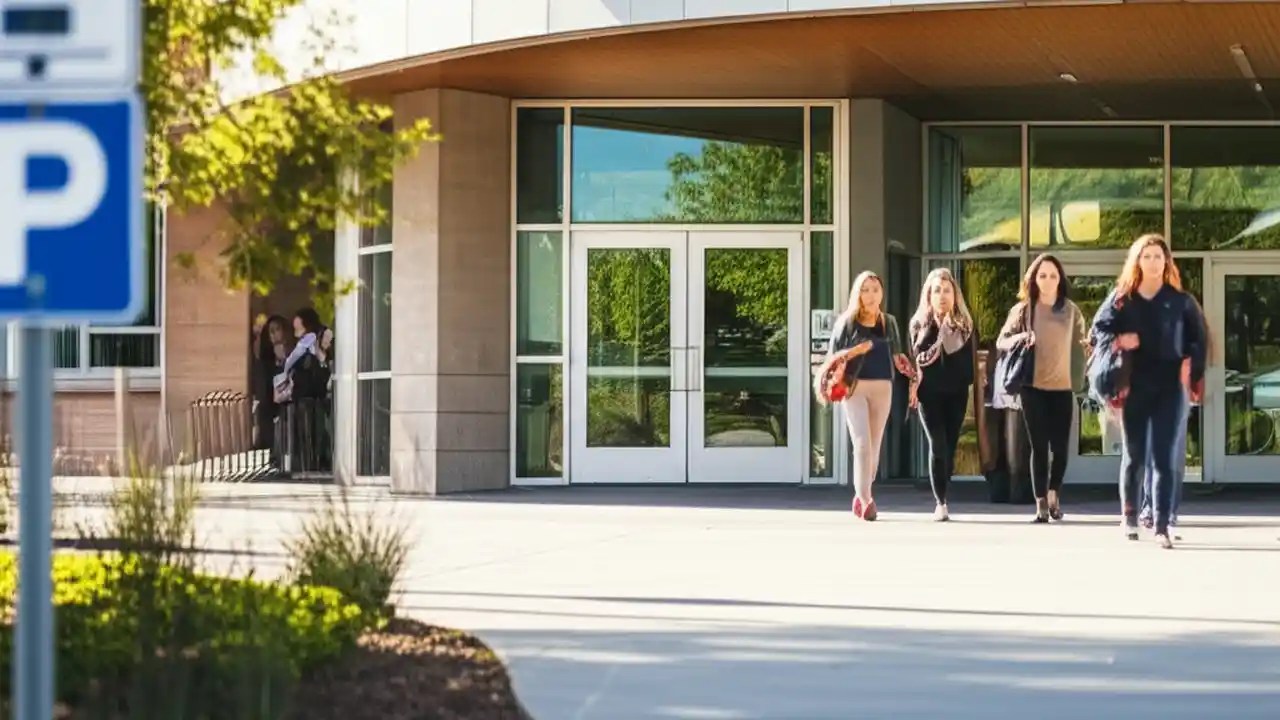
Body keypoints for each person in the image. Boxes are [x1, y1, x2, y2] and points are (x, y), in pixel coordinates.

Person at [1090, 234, 1206, 549]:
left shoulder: (1180, 301)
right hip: (1135, 384)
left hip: (1169, 384)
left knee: (1165, 456)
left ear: (1166, 262)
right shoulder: (1122, 298)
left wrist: (1191, 367)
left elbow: (1198, 339)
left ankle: (1162, 523)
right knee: (1135, 454)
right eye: (1147, 256)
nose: (1153, 262)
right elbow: (1098, 329)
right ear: (1137, 261)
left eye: (1158, 256)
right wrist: (1119, 340)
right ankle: (1129, 517)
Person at [996, 254, 1089, 523]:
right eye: (1043, 275)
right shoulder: (1024, 310)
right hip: (1032, 386)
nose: (1048, 280)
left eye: (1053, 275)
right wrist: (1021, 337)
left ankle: (1053, 495)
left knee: (1060, 448)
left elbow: (1080, 344)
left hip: (1061, 386)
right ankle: (1040, 504)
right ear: (1034, 279)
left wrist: (1087, 354)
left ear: (1060, 280)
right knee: (1038, 445)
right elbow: (1002, 340)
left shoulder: (1070, 310)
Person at [822, 271, 914, 521]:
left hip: (883, 386)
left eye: (875, 289)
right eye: (865, 290)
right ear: (857, 294)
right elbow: (832, 358)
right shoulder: (847, 322)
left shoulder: (889, 322)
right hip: (854, 387)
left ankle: (861, 493)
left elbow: (895, 353)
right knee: (861, 443)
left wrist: (903, 362)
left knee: (874, 446)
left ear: (882, 292)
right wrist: (856, 351)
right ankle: (866, 500)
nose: (871, 295)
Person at [909, 268, 978, 522]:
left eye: (947, 290)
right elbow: (917, 353)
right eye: (937, 290)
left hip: (956, 393)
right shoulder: (918, 323)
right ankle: (941, 502)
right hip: (929, 395)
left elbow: (967, 366)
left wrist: (949, 330)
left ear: (955, 294)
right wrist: (935, 329)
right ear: (928, 294)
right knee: (937, 444)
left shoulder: (965, 325)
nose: (942, 295)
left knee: (949, 446)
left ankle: (944, 485)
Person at [1139, 295, 1209, 535]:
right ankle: (1150, 508)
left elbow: (1198, 344)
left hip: (1177, 387)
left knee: (1173, 452)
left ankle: (1168, 511)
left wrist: (1192, 373)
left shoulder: (1185, 306)